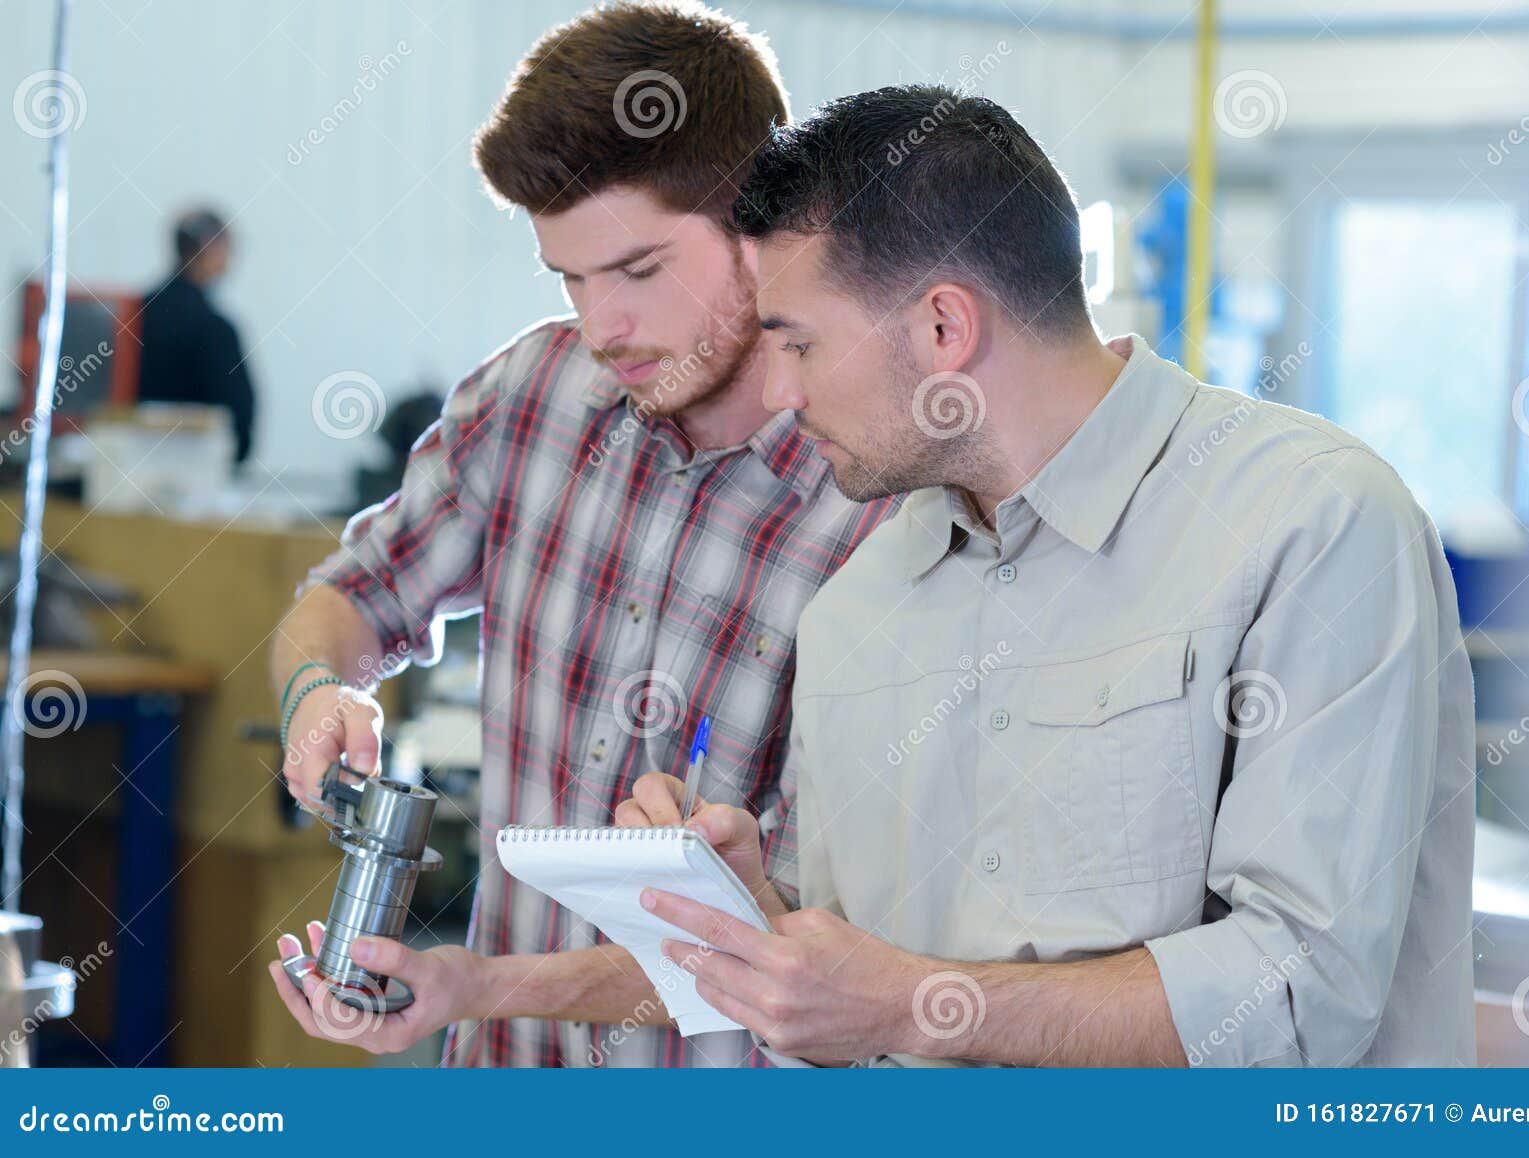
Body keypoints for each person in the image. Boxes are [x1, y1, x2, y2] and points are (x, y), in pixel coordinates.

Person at [618, 84, 1477, 1067]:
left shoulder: (1311, 523)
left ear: (944, 329)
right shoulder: (856, 607)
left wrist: (914, 1005)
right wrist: (769, 935)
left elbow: (1301, 996)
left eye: (797, 344)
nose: (776, 395)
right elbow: (866, 1010)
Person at [266, 3, 895, 1067]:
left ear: (764, 227)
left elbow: (805, 941)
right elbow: (350, 595)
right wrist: (316, 692)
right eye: (569, 276)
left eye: (639, 272)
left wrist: (471, 986)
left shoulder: (881, 506)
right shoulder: (531, 397)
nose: (601, 327)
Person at [136, 209, 257, 464]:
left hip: (126, 469)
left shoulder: (131, 316)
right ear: (209, 248)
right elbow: (240, 420)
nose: (229, 262)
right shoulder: (217, 329)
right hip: (197, 476)